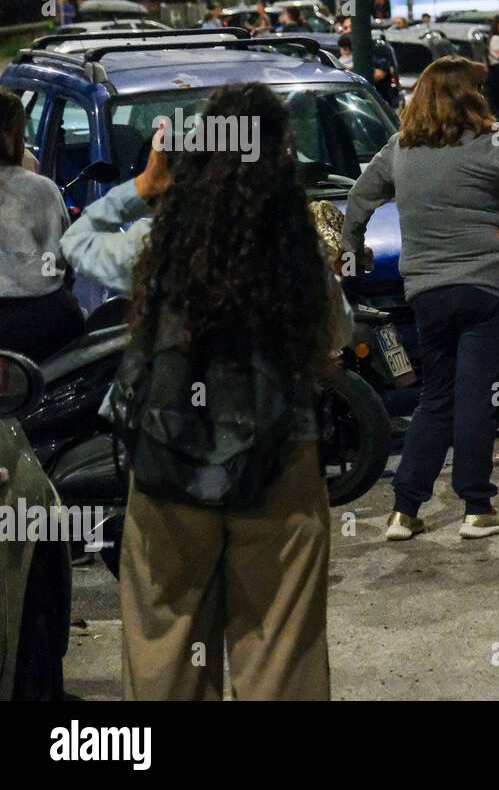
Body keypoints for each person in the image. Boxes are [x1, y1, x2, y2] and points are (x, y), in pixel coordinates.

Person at [81, 84, 352, 700]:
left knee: (164, 639)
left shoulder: (162, 245)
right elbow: (338, 334)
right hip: (279, 466)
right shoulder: (298, 252)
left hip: (168, 465)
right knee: (279, 644)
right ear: (280, 157)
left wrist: (144, 187)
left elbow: (78, 245)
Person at [343, 57, 499, 541]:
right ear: (469, 97)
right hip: (487, 286)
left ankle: (404, 511)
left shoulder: (399, 149)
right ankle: (477, 507)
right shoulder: (489, 144)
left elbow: (360, 198)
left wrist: (353, 251)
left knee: (435, 397)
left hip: (427, 290)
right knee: (476, 399)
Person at [0, 87, 84, 361]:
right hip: (48, 320)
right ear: (11, 136)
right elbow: (65, 260)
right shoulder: (42, 189)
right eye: (21, 133)